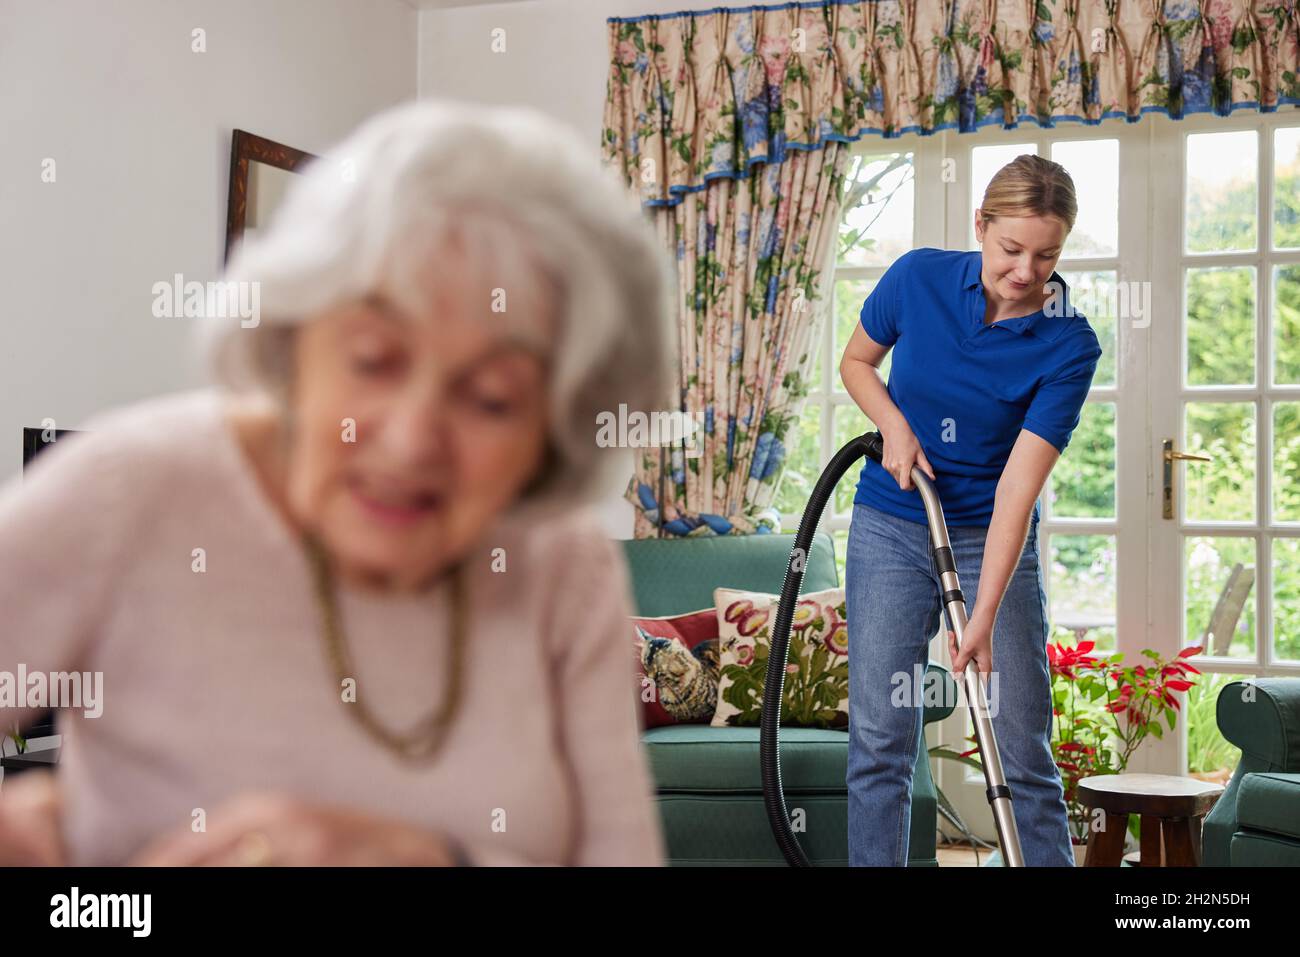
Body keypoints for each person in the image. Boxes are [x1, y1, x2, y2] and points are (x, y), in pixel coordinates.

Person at [0, 100, 675, 866]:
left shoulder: (563, 564)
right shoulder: (131, 488)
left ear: (555, 433)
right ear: (292, 344)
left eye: (491, 397)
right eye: (373, 356)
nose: (412, 437)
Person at [838, 154, 1102, 866]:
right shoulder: (918, 278)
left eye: (1046, 255)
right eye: (1011, 249)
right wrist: (893, 424)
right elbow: (857, 362)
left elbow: (1019, 488)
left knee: (1019, 734)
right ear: (980, 225)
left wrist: (982, 613)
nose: (1026, 272)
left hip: (992, 533)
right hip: (893, 522)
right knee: (880, 736)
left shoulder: (1069, 341)